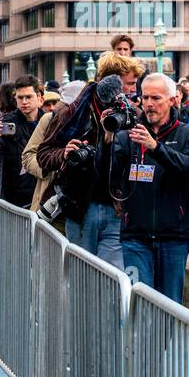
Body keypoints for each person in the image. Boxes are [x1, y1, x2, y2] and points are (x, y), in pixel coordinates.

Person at [37, 52, 146, 270]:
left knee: (112, 278)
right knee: (82, 275)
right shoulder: (71, 112)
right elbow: (43, 154)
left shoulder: (131, 115)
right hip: (81, 208)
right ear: (111, 83)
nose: (134, 89)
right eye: (130, 84)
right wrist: (64, 154)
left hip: (116, 207)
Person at [109, 73, 189, 302]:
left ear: (173, 100)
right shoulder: (128, 134)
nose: (149, 104)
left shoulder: (188, 133)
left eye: (156, 98)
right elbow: (108, 176)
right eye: (145, 97)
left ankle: (166, 341)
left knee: (170, 306)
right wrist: (106, 140)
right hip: (136, 234)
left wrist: (155, 147)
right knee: (140, 302)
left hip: (174, 235)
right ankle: (142, 341)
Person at [0, 76, 44, 208]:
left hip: (42, 196)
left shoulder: (50, 122)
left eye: (28, 97)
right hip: (13, 200)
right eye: (20, 98)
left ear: (39, 97)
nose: (24, 101)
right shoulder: (6, 123)